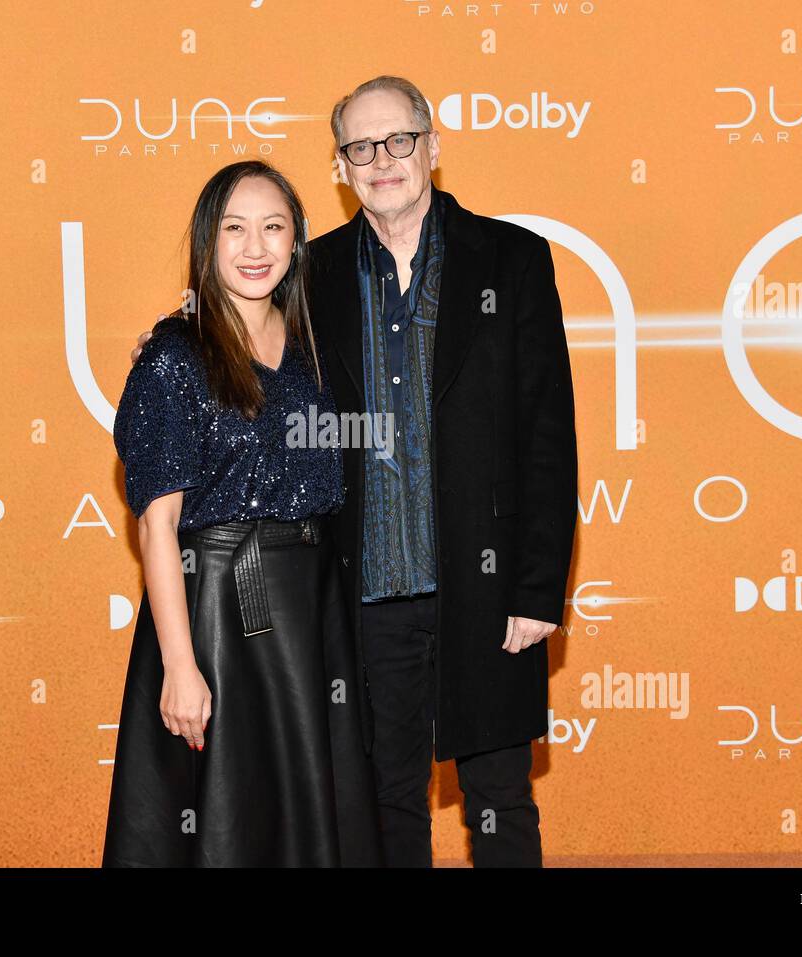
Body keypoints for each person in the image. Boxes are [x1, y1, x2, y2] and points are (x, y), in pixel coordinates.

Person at [133, 75, 579, 868]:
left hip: (487, 586)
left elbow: (547, 434)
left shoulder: (512, 260)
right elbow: (243, 335)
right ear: (340, 167)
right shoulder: (314, 276)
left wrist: (539, 588)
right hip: (361, 598)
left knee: (502, 804)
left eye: (399, 139)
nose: (382, 159)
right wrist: (175, 341)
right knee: (381, 810)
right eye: (360, 147)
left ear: (432, 148)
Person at [101, 160, 382, 867]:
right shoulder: (174, 355)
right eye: (235, 228)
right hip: (220, 615)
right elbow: (157, 526)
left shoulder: (318, 346)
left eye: (273, 227)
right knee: (231, 818)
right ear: (208, 240)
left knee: (318, 814)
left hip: (313, 611)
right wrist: (179, 666)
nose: (254, 247)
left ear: (296, 243)